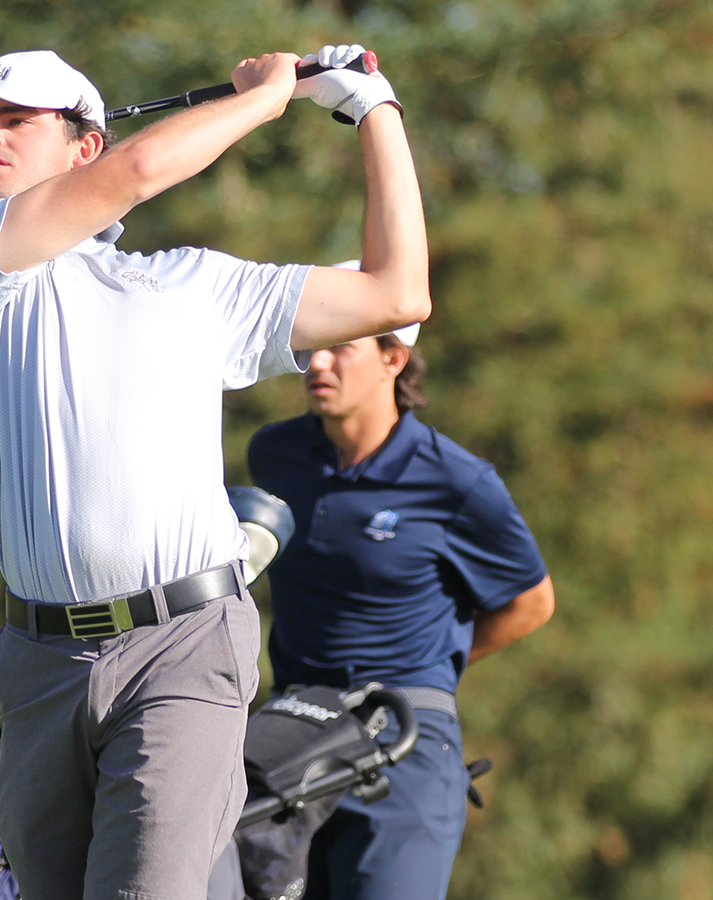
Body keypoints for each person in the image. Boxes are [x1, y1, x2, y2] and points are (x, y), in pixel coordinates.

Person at [0, 45, 431, 900]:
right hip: (40, 664)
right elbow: (141, 170)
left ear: (83, 146)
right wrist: (264, 100)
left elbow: (396, 293)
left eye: (15, 120)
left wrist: (373, 109)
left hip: (183, 647)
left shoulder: (189, 287)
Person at [246, 311, 556, 900]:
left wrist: (425, 666)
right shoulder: (275, 454)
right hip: (290, 735)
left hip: (401, 743)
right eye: (312, 347)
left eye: (341, 348)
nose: (317, 363)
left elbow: (532, 602)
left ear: (394, 359)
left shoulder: (457, 481)